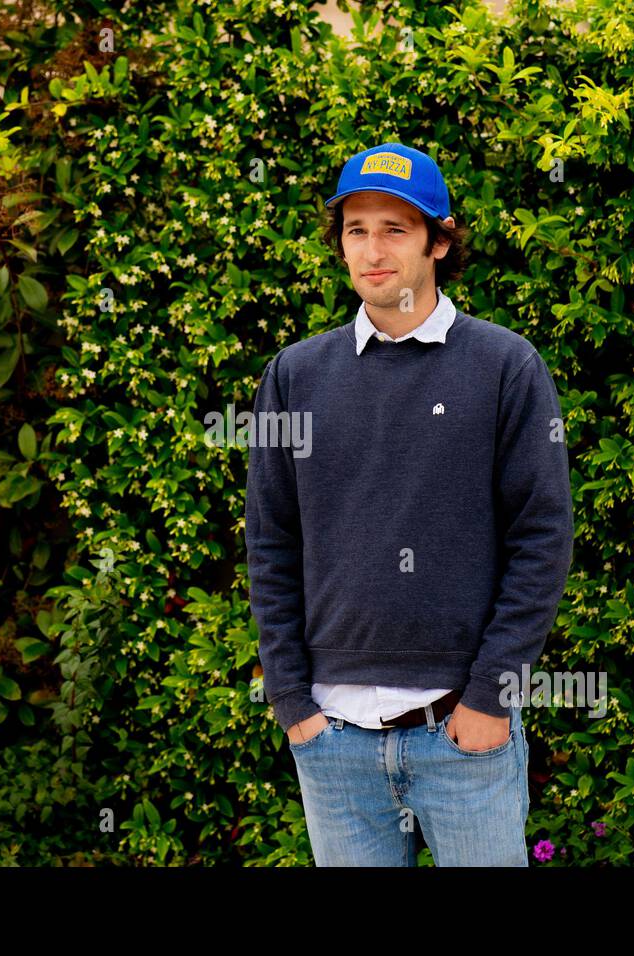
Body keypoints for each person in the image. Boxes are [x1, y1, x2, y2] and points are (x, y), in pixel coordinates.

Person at [244, 141, 574, 866]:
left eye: (396, 228)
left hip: (462, 733)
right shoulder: (295, 375)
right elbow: (270, 545)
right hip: (332, 746)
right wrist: (293, 706)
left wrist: (490, 697)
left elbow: (542, 540)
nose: (373, 249)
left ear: (440, 239)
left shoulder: (505, 367)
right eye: (356, 228)